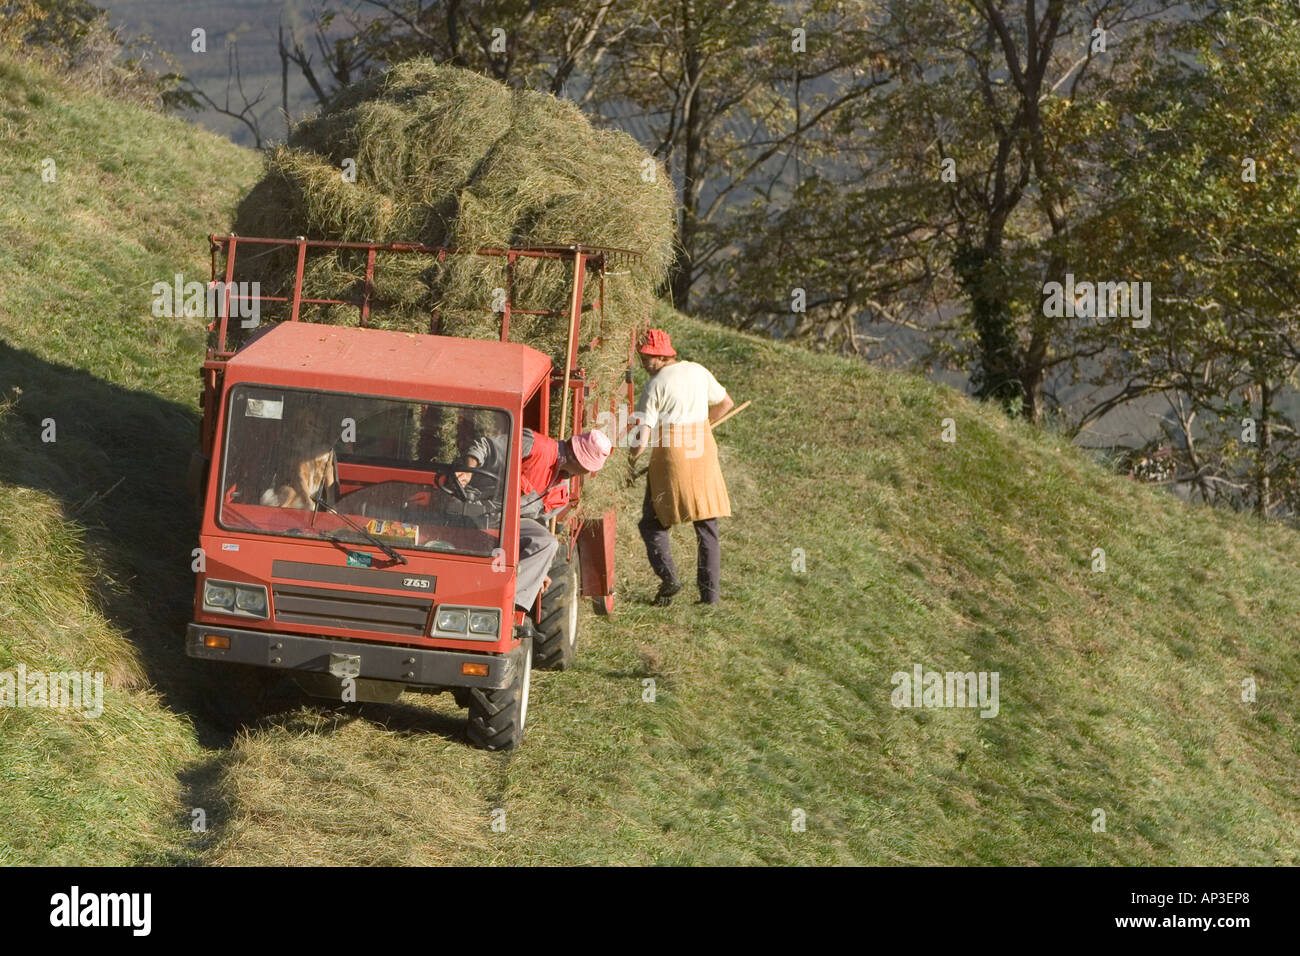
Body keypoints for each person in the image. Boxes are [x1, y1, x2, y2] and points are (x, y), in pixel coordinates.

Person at [462, 426, 611, 635]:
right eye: (588, 468)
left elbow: (538, 526)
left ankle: (508, 606)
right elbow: (485, 445)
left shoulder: (561, 492)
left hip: (508, 525)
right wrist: (466, 472)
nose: (587, 473)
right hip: (471, 509)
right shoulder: (535, 445)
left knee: (547, 542)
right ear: (580, 461)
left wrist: (540, 570)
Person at [628, 329, 733, 605]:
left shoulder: (655, 386)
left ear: (662, 355)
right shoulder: (698, 371)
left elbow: (642, 434)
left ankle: (669, 578)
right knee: (707, 525)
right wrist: (702, 427)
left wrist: (630, 462)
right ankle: (710, 597)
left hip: (671, 459)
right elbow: (726, 403)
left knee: (653, 523)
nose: (643, 363)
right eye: (642, 357)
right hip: (702, 451)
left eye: (647, 357)